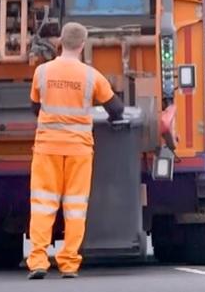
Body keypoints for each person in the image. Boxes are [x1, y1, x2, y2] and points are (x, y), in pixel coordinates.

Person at [26, 22, 125, 280]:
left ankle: (37, 260)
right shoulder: (91, 76)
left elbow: (36, 107)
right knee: (75, 207)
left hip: (47, 147)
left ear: (60, 42)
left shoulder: (42, 72)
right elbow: (116, 109)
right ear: (83, 45)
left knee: (42, 205)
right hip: (79, 150)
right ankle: (69, 263)